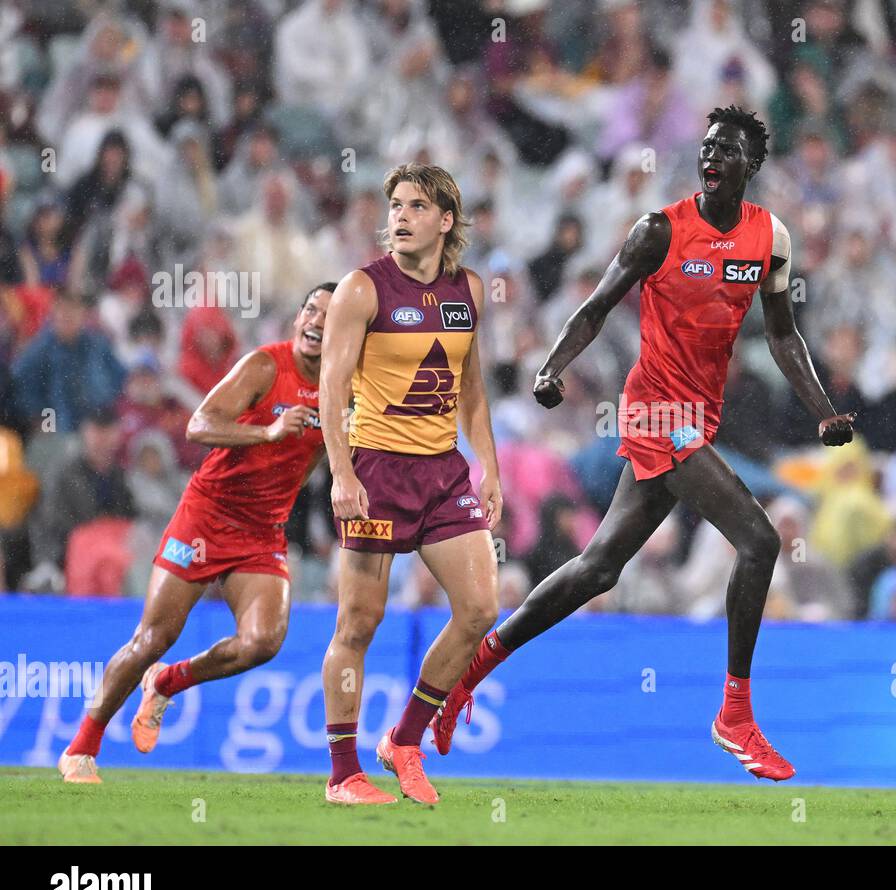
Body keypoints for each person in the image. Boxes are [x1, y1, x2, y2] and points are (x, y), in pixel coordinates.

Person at [433, 107, 853, 782]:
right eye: (707, 145)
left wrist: (824, 412)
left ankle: (465, 676)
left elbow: (781, 335)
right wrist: (551, 368)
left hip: (698, 416)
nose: (712, 156)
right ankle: (735, 716)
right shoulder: (659, 230)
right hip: (655, 411)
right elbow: (596, 306)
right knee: (761, 540)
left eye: (727, 150)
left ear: (751, 167)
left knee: (598, 569)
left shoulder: (770, 239)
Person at [57, 284, 335, 784]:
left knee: (263, 642)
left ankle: (167, 682)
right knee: (152, 637)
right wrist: (267, 433)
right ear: (297, 319)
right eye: (310, 309)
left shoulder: (345, 389)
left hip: (261, 531)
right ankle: (81, 748)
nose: (316, 321)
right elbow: (199, 423)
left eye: (330, 316)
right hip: (206, 515)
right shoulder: (264, 367)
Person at [317, 164, 501, 806]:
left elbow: (472, 386)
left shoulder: (469, 290)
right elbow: (331, 389)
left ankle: (404, 740)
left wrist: (490, 466)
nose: (400, 216)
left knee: (479, 609)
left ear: (445, 221)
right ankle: (344, 774)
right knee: (358, 624)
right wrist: (341, 473)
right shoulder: (362, 289)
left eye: (416, 206)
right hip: (377, 471)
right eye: (395, 205)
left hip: (444, 473)